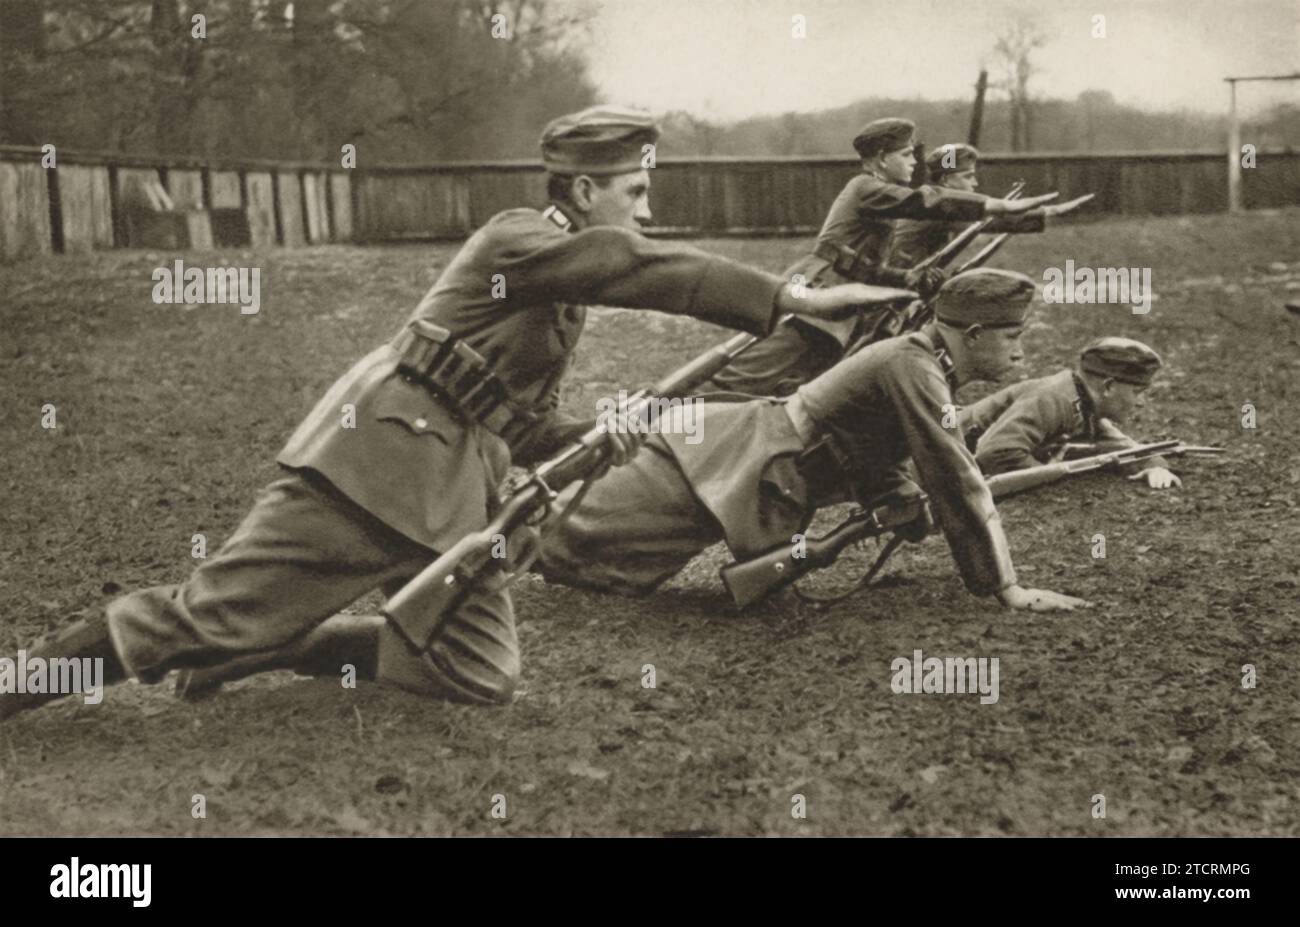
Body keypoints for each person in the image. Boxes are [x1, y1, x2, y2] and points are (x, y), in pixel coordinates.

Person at [0, 106, 901, 722]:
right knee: (195, 616)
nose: (646, 209)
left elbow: (522, 426)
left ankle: (272, 647)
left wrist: (606, 433)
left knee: (477, 671)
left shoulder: (562, 287)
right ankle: (18, 685)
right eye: (635, 189)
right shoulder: (517, 240)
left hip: (456, 493)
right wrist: (786, 295)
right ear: (580, 192)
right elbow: (630, 264)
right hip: (374, 462)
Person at [171, 267, 1092, 701]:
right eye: (1011, 337)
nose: (1019, 352)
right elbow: (957, 471)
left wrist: (888, 500)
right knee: (544, 547)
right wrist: (1001, 585)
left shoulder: (919, 363)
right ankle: (280, 628)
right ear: (969, 331)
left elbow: (893, 449)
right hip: (720, 467)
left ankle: (269, 648)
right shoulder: (914, 363)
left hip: (747, 484)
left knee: (581, 571)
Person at [705, 120, 1084, 398]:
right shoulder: (865, 187)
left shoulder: (881, 194)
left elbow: (869, 267)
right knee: (748, 375)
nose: (912, 165)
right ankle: (665, 423)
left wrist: (908, 281)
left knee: (801, 386)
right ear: (882, 159)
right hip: (815, 293)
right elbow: (926, 200)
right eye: (904, 156)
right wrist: (994, 204)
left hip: (838, 307)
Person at [960, 336, 1181, 489]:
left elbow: (1122, 447)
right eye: (1137, 392)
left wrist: (1154, 466)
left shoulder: (1082, 402)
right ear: (1108, 387)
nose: (1140, 403)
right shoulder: (1054, 399)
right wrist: (1047, 474)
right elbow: (996, 453)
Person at [885, 142, 1045, 270]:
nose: (975, 183)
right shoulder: (939, 207)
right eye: (968, 177)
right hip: (895, 288)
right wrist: (1046, 213)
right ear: (946, 180)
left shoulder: (931, 201)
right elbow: (993, 222)